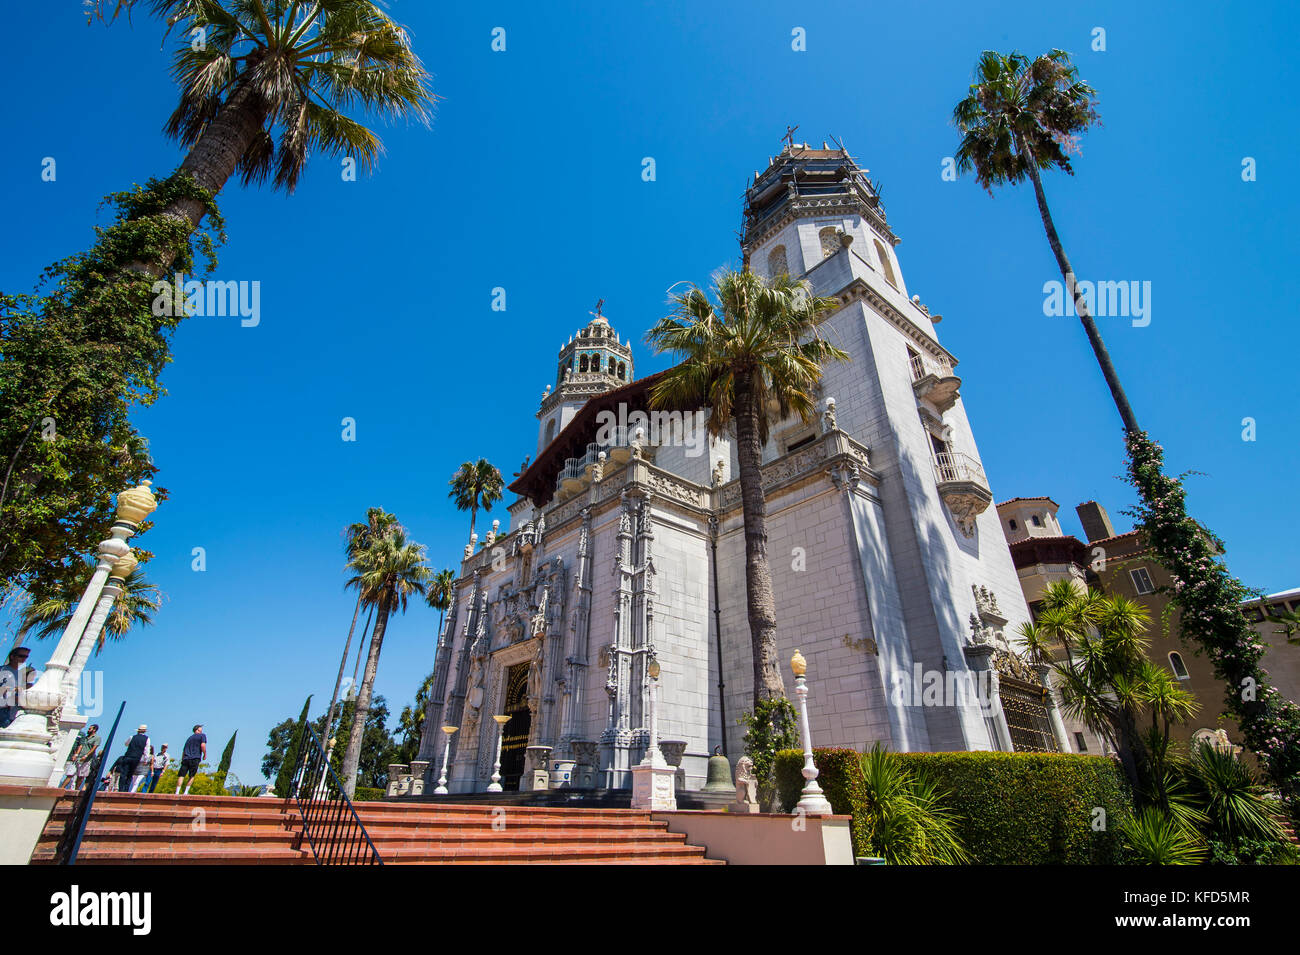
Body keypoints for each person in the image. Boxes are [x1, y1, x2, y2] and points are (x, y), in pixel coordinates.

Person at [0, 646, 32, 728]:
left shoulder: (20, 675)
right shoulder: (3, 670)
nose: (24, 659)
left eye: (26, 657)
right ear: (12, 656)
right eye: (21, 656)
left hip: (11, 713)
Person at [176, 724, 207, 794]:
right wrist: (205, 754)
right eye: (200, 730)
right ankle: (185, 792)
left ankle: (177, 792)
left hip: (186, 758)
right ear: (197, 730)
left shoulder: (189, 738)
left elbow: (184, 750)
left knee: (181, 775)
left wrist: (182, 759)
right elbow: (203, 745)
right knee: (192, 776)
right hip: (195, 758)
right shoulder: (202, 736)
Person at [119, 724, 151, 792]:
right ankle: (126, 789)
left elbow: (126, 744)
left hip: (128, 755)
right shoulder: (147, 739)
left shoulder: (132, 737)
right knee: (130, 774)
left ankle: (121, 789)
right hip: (137, 757)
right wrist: (146, 759)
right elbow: (146, 750)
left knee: (124, 773)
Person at [75, 724, 101, 792]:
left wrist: (86, 756)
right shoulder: (85, 737)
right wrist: (76, 754)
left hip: (87, 759)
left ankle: (77, 789)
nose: (88, 730)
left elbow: (93, 748)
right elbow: (81, 746)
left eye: (90, 729)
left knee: (81, 776)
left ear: (94, 730)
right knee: (73, 774)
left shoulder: (97, 738)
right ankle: (75, 789)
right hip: (79, 757)